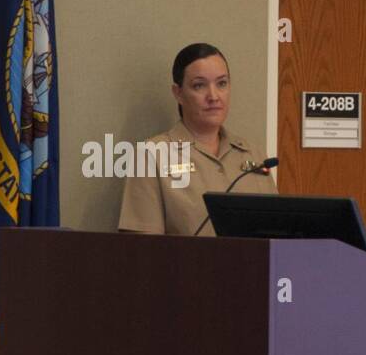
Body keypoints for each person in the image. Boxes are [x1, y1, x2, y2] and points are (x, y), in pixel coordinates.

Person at [118, 43, 277, 236]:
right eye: (199, 85)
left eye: (222, 83)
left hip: (255, 265)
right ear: (178, 93)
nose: (213, 96)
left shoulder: (254, 153)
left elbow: (276, 232)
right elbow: (142, 251)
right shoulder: (153, 155)